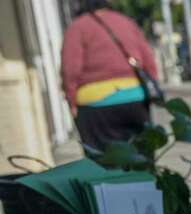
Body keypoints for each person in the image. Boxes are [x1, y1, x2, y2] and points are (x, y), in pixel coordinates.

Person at [61, 0, 158, 154]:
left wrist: (71, 100)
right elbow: (149, 62)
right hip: (135, 98)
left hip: (95, 105)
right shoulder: (126, 22)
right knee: (142, 157)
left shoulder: (78, 27)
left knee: (104, 163)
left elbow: (70, 69)